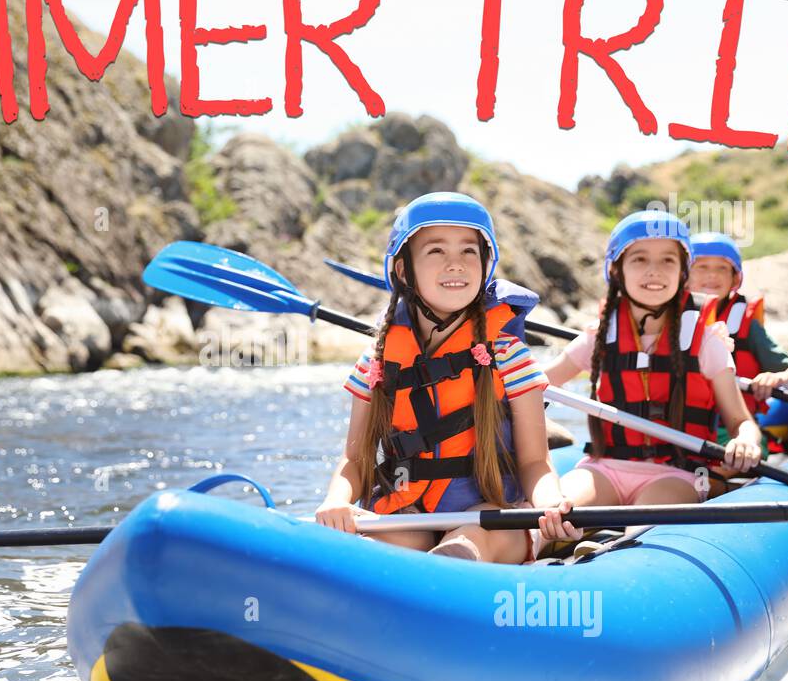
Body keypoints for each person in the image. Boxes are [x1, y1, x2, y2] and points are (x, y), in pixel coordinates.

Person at [315, 192, 575, 563]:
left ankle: (448, 576)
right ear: (404, 270)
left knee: (466, 540)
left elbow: (536, 461)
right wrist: (336, 501)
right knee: (391, 540)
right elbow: (354, 459)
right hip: (409, 510)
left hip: (491, 513)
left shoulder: (507, 354)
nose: (456, 265)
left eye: (469, 251)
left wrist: (550, 502)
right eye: (436, 251)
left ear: (485, 265)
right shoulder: (377, 359)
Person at [538, 211, 763, 534]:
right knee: (555, 510)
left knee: (646, 521)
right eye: (640, 259)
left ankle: (615, 551)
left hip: (677, 473)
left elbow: (741, 422)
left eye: (668, 261)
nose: (654, 271)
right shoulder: (600, 336)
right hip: (604, 468)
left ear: (683, 272)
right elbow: (538, 382)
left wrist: (745, 442)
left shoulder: (707, 341)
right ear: (617, 271)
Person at [688, 232, 788, 419]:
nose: (712, 275)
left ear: (735, 279)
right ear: (684, 275)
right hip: (677, 427)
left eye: (722, 268)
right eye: (702, 267)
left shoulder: (746, 325)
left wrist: (778, 378)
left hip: (732, 427)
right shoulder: (666, 316)